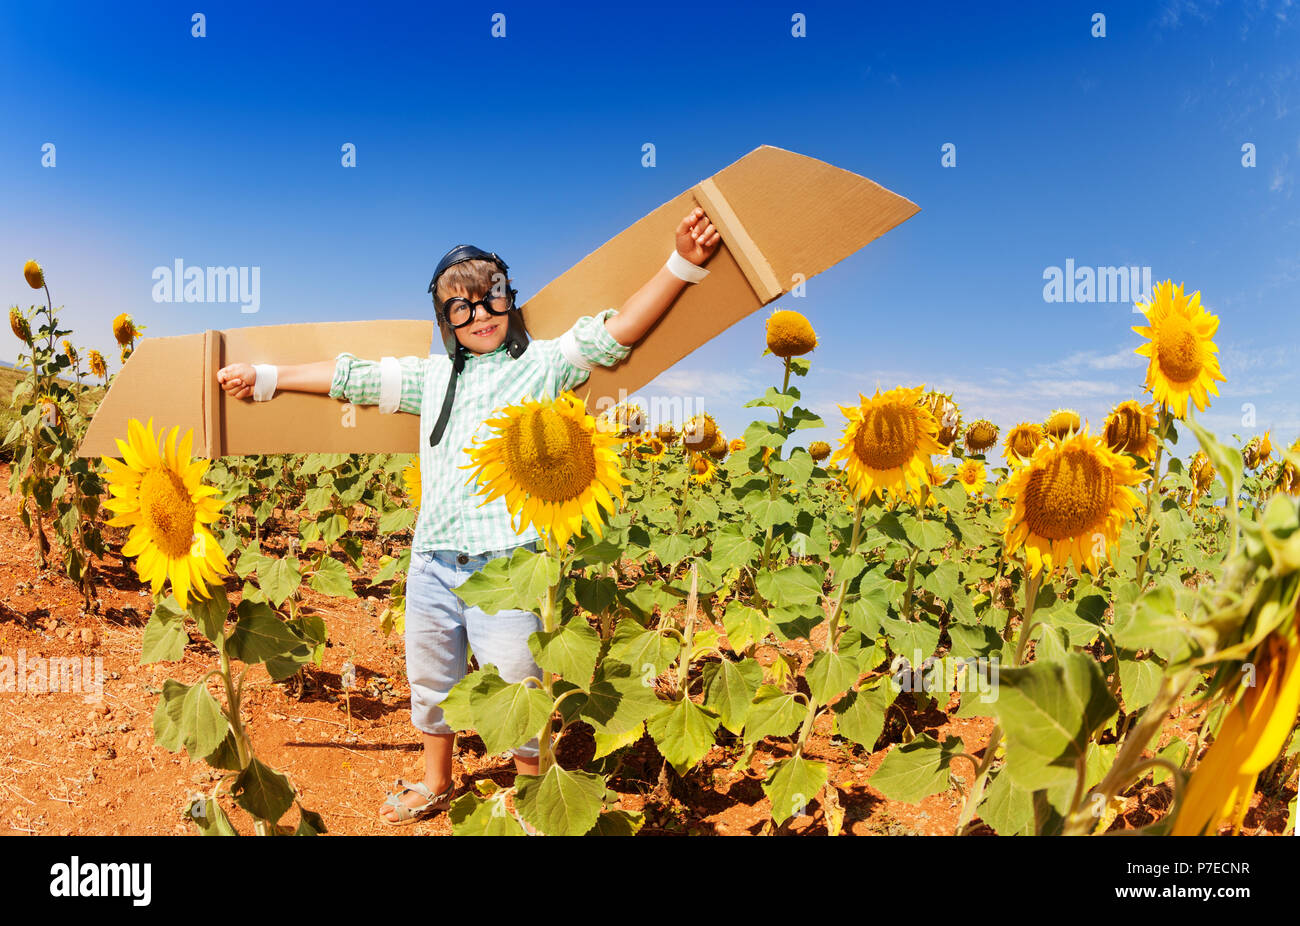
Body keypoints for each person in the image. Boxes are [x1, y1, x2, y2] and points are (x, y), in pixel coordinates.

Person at [216, 207, 720, 826]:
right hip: (432, 560)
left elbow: (618, 332)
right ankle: (437, 781)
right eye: (461, 307)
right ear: (445, 321)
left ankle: (533, 800)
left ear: (510, 300)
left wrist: (681, 265)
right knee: (432, 680)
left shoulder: (542, 365)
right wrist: (268, 377)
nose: (479, 314)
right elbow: (352, 378)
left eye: (491, 298)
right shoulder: (432, 378)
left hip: (509, 564)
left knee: (519, 685)